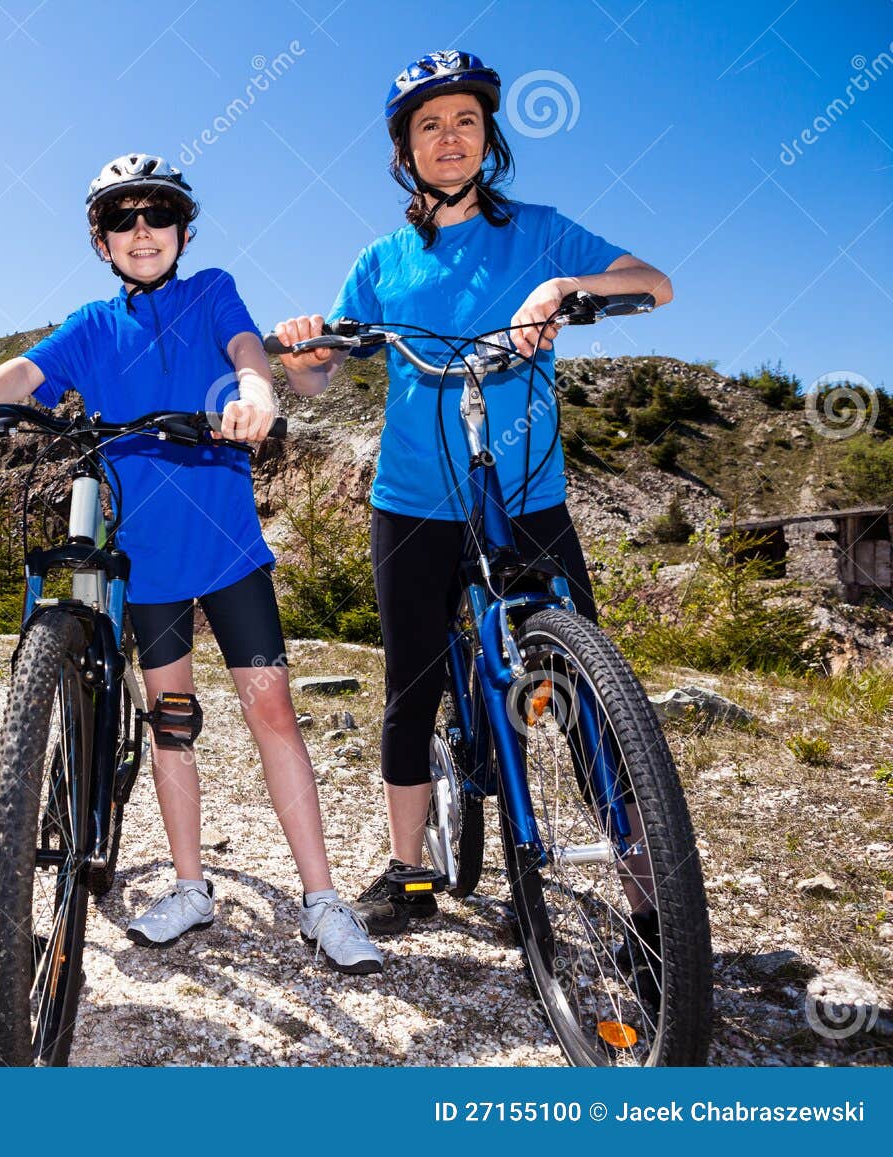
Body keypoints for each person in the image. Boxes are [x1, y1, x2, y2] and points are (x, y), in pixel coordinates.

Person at [0, 154, 384, 975]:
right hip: (149, 559)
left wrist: (259, 396)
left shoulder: (211, 291)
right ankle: (188, 883)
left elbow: (249, 355)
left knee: (272, 709)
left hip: (228, 547)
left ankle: (322, 900)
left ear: (182, 228)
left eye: (158, 215)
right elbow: (23, 374)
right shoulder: (93, 326)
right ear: (101, 240)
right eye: (123, 220)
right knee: (170, 719)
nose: (144, 231)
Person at [273, 51, 673, 954]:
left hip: (528, 492)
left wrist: (564, 288)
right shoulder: (381, 261)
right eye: (428, 125)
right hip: (413, 499)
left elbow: (656, 282)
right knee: (412, 682)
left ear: (488, 138)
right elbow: (317, 383)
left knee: (584, 694)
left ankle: (652, 910)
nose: (448, 138)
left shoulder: (539, 230)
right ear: (404, 152)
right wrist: (304, 347)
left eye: (464, 121)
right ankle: (410, 871)